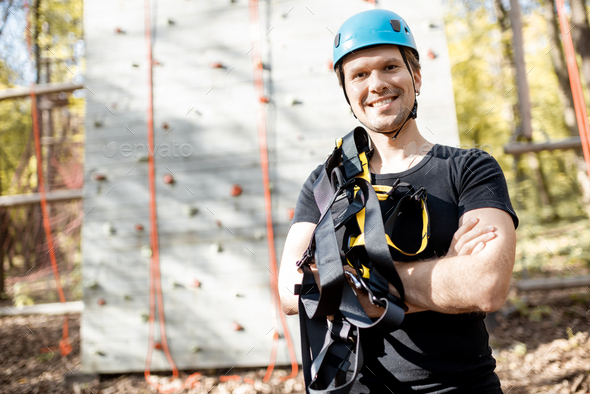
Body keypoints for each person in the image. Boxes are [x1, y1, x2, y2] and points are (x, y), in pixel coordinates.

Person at [278, 9, 518, 394]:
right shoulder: (327, 183)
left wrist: (349, 280)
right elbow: (293, 288)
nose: (376, 84)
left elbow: (484, 285)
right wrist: (443, 274)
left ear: (416, 77)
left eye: (390, 67)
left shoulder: (470, 169)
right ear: (347, 92)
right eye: (359, 74)